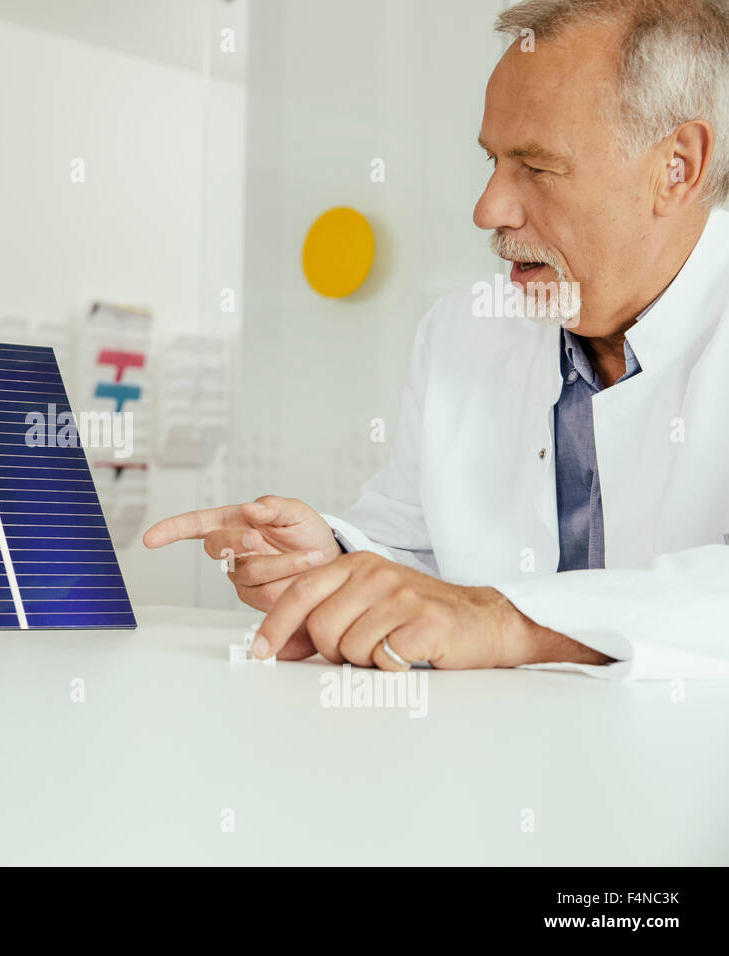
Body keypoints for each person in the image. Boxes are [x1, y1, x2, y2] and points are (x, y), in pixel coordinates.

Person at [145, 0, 729, 679]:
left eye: (536, 168)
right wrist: (332, 567)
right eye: (493, 161)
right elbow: (415, 557)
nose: (489, 209)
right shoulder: (463, 331)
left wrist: (506, 621)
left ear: (677, 167)